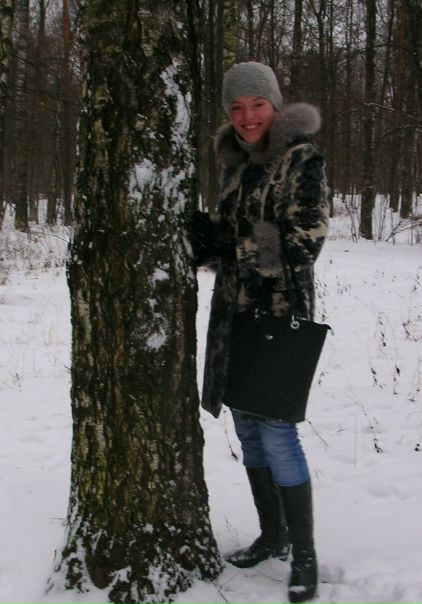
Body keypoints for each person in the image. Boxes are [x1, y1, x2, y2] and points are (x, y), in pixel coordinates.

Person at [190, 62, 329, 603]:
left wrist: (233, 245)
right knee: (247, 430)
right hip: (234, 314)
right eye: (236, 107)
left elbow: (303, 243)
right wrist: (207, 239)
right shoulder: (235, 165)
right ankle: (273, 535)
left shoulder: (301, 159)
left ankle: (305, 554)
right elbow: (234, 235)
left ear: (275, 105)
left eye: (257, 105)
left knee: (276, 432)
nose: (247, 117)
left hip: (278, 314)